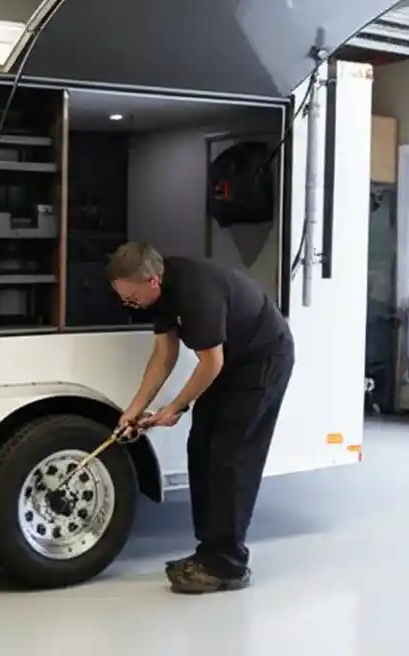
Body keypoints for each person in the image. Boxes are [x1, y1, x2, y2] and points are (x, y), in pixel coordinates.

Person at [106, 241, 294, 595]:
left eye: (131, 298)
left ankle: (229, 564)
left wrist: (174, 407)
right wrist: (132, 411)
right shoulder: (160, 293)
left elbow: (212, 363)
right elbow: (163, 356)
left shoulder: (196, 292)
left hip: (262, 359)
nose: (127, 305)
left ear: (153, 282)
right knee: (201, 446)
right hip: (229, 360)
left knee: (230, 456)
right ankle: (208, 553)